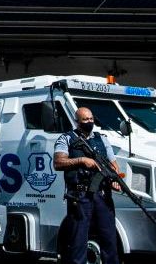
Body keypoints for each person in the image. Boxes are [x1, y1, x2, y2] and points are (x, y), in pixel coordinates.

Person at [53, 107, 121, 264]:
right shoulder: (66, 139)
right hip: (80, 195)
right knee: (78, 239)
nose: (89, 122)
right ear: (77, 122)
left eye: (91, 119)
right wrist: (81, 160)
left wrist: (115, 179)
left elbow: (114, 166)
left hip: (102, 195)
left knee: (109, 238)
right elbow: (58, 162)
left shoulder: (102, 139)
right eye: (85, 120)